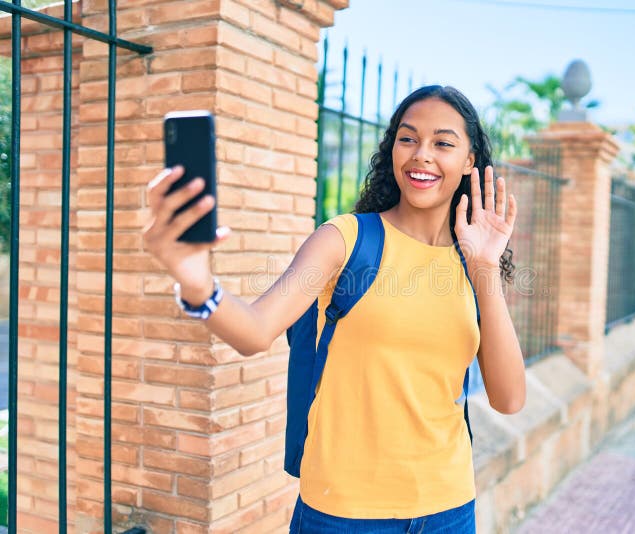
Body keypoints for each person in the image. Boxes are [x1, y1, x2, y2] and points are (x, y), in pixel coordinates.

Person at [144, 85, 526, 533]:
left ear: (467, 161)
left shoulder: (471, 260)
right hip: (344, 514)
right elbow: (255, 330)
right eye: (408, 138)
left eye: (443, 143)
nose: (422, 154)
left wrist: (484, 268)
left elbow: (509, 398)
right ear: (392, 149)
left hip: (450, 508)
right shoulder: (344, 240)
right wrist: (196, 283)